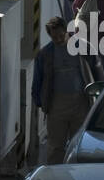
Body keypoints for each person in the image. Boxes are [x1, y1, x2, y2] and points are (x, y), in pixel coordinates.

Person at [32, 17, 91, 165]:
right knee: (56, 147)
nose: (58, 39)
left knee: (79, 145)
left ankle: (78, 176)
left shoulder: (83, 47)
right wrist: (39, 102)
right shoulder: (45, 54)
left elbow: (96, 71)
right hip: (56, 106)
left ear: (67, 31)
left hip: (80, 104)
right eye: (54, 37)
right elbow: (38, 80)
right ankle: (55, 179)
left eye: (61, 35)